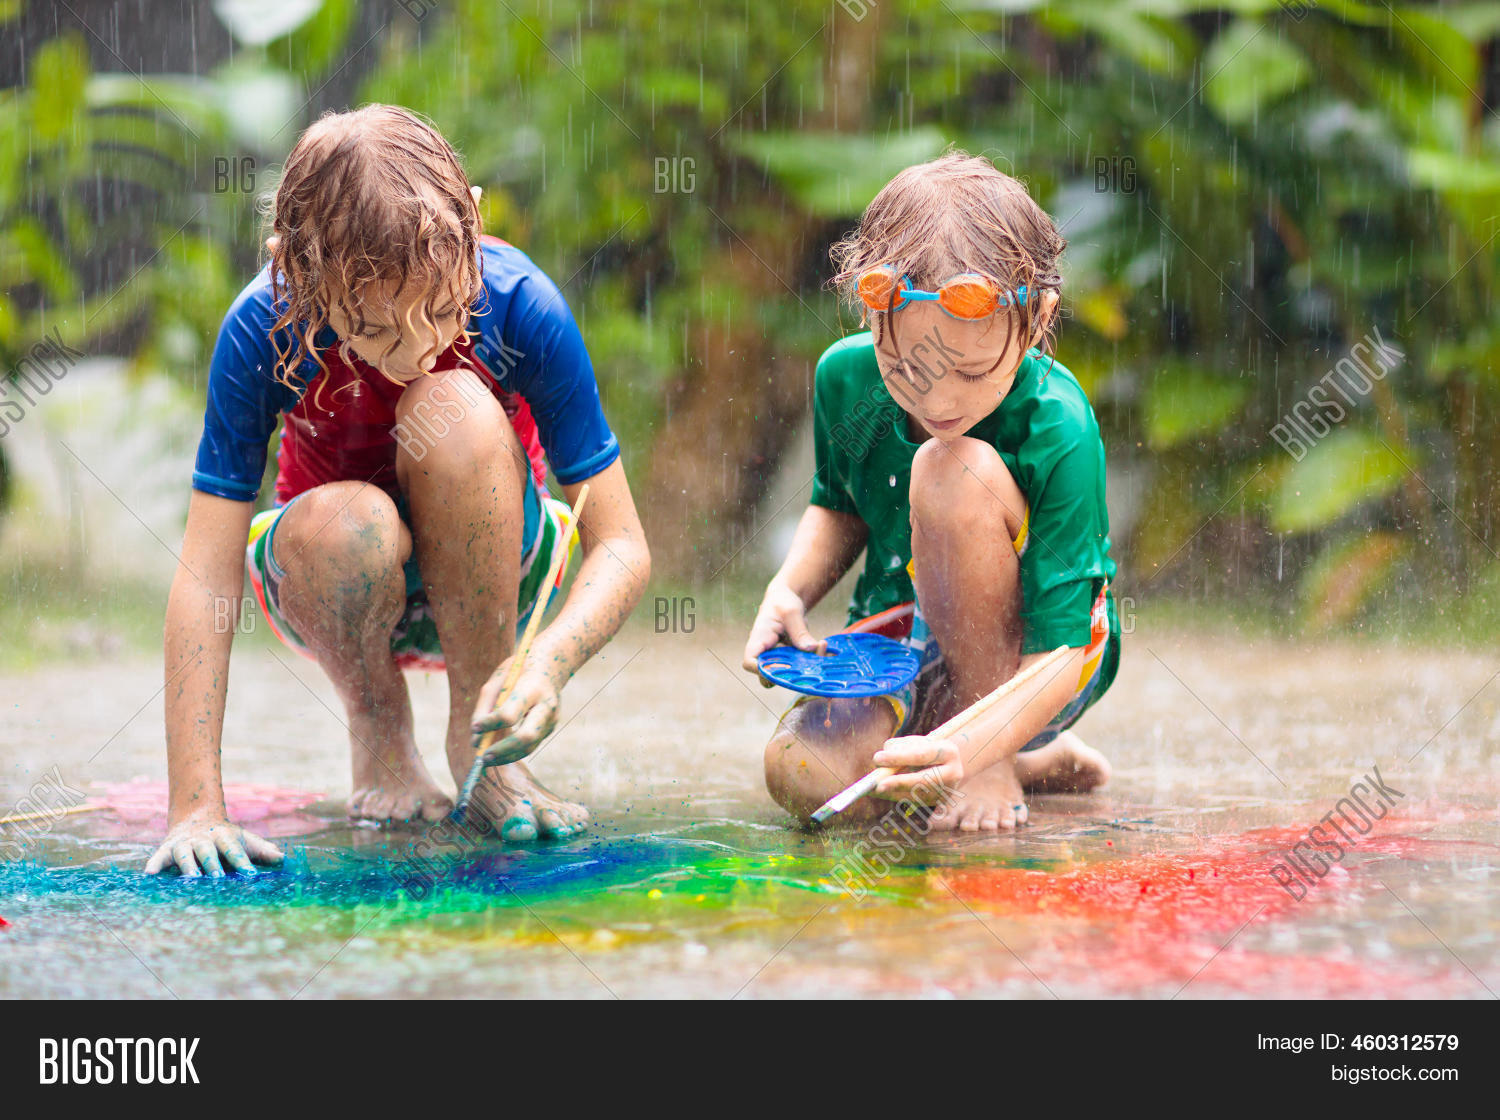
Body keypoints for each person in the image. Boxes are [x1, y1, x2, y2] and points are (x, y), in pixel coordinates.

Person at [148, 105, 649, 876]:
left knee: (448, 406)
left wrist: (544, 665)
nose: (418, 353)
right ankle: (379, 728)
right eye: (377, 333)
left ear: (473, 225)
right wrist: (195, 809)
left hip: (500, 567)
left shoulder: (519, 301)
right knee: (353, 522)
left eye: (446, 313)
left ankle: (478, 742)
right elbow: (206, 571)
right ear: (294, 271)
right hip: (335, 575)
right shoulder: (263, 326)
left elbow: (620, 543)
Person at [743, 151, 1118, 831]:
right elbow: (838, 507)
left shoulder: (1059, 422)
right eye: (905, 368)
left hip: (1039, 660)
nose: (938, 401)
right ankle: (1029, 760)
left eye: (971, 372)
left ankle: (1002, 755)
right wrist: (790, 590)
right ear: (870, 314)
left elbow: (1061, 654)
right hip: (906, 642)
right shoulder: (845, 380)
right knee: (804, 775)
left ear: (1037, 321)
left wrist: (981, 748)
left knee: (950, 466)